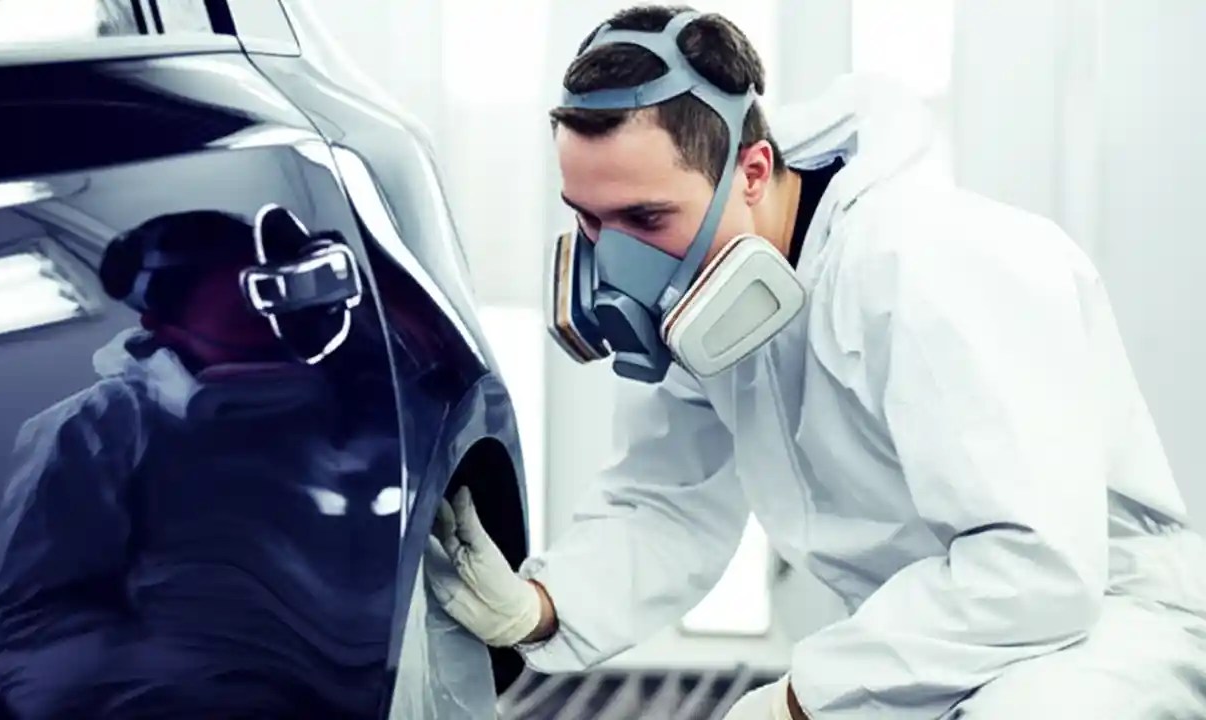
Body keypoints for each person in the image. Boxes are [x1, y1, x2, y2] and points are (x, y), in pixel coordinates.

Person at [423, 5, 1206, 719]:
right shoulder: (713, 295)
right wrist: (539, 605)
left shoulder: (932, 266)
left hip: (1101, 636)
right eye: (588, 219)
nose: (614, 260)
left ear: (754, 171)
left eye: (645, 217)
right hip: (928, 645)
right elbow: (671, 504)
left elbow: (1037, 568)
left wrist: (802, 698)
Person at [0, 210, 395, 719]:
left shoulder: (362, 396)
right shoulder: (96, 429)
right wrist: (183, 696)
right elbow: (35, 626)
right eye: (240, 289)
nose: (267, 301)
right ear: (162, 320)